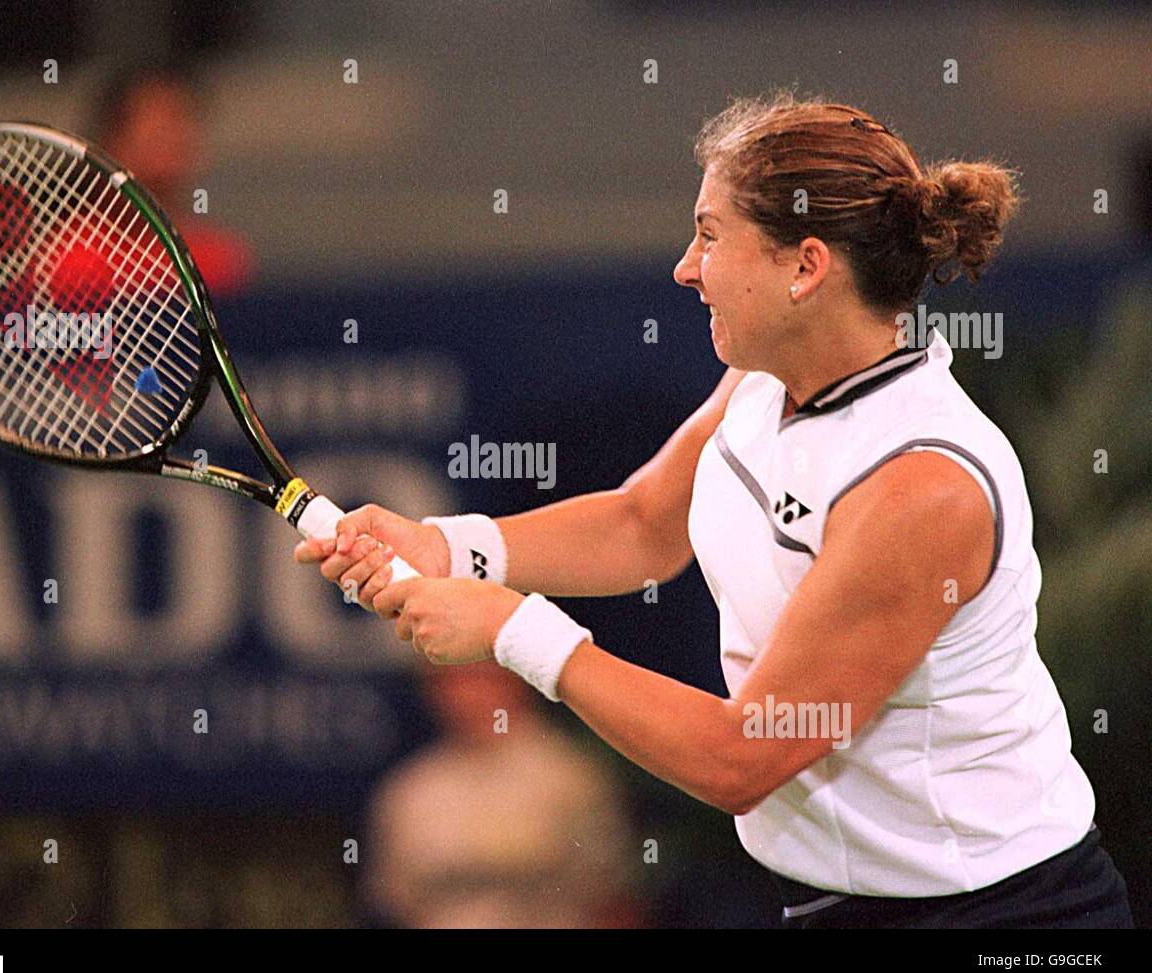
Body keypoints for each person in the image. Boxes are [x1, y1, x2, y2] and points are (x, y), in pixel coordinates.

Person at [296, 92, 1133, 929]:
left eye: (708, 234)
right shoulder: (764, 376)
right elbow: (642, 526)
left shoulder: (922, 488)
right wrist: (447, 547)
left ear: (804, 267)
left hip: (1007, 925)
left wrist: (512, 630)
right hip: (843, 904)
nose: (684, 268)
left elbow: (745, 755)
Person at [363, 659, 638, 928]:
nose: (467, 695)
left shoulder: (570, 776)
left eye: (480, 677)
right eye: (453, 679)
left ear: (518, 678)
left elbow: (611, 897)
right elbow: (394, 900)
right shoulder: (410, 790)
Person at [89, 65, 255, 296]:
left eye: (177, 122)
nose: (168, 140)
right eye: (152, 130)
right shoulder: (61, 260)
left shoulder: (220, 261)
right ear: (109, 137)